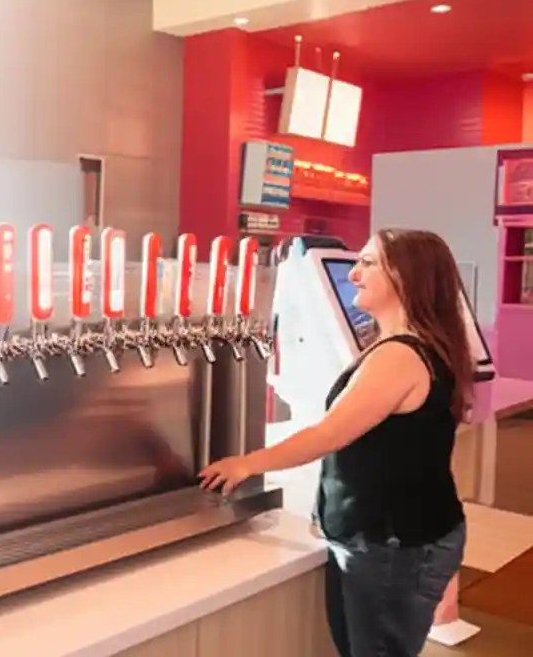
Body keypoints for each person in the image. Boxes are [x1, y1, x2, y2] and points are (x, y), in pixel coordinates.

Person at [198, 228, 472, 657]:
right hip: (398, 537)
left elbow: (330, 433)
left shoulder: (400, 356)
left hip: (394, 544)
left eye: (367, 263)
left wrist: (246, 464)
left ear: (404, 277)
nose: (355, 275)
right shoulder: (415, 345)